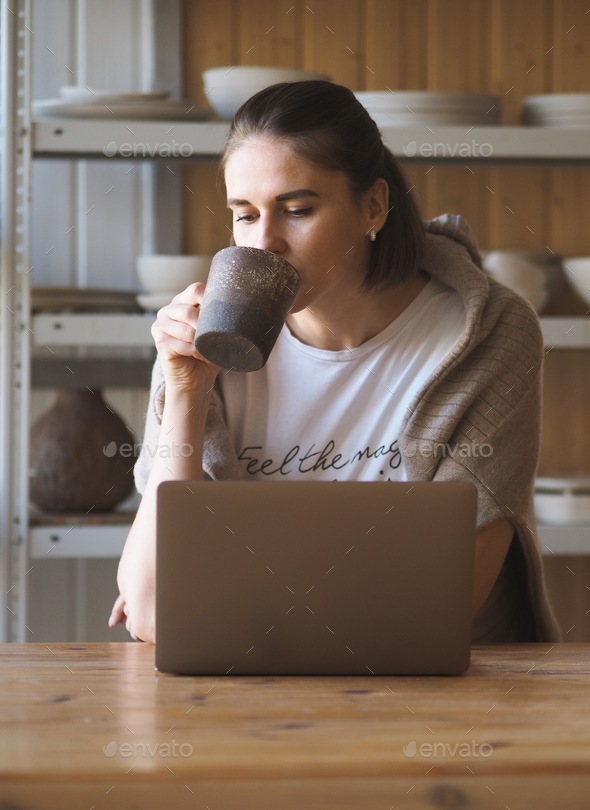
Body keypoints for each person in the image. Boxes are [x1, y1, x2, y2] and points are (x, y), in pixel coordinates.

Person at [110, 80, 560, 645]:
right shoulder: (198, 341)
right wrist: (185, 392)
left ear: (373, 205)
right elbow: (153, 612)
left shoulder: (487, 335)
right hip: (235, 692)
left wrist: (222, 594)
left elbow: (445, 598)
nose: (265, 241)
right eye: (244, 215)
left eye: (297, 209)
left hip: (432, 700)